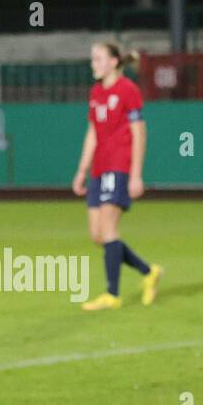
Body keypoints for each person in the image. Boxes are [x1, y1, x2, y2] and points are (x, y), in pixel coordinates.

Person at [73, 41, 162, 312]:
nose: (93, 63)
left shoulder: (128, 90)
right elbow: (92, 133)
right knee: (98, 236)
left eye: (98, 58)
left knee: (110, 231)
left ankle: (112, 294)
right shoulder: (96, 91)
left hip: (119, 167)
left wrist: (136, 174)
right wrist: (82, 170)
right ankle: (149, 271)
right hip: (99, 169)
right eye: (92, 58)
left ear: (113, 62)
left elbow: (139, 132)